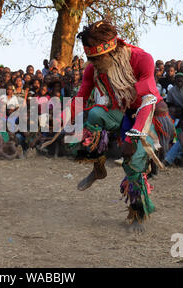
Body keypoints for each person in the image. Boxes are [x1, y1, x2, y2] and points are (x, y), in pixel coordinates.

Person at [66, 20, 174, 233]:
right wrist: (66, 120)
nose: (93, 64)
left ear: (110, 52)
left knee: (132, 164)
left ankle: (137, 213)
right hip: (125, 112)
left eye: (96, 59)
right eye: (91, 60)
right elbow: (81, 97)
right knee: (95, 113)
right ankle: (98, 168)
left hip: (151, 115)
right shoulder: (95, 69)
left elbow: (148, 100)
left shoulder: (142, 59)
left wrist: (132, 137)